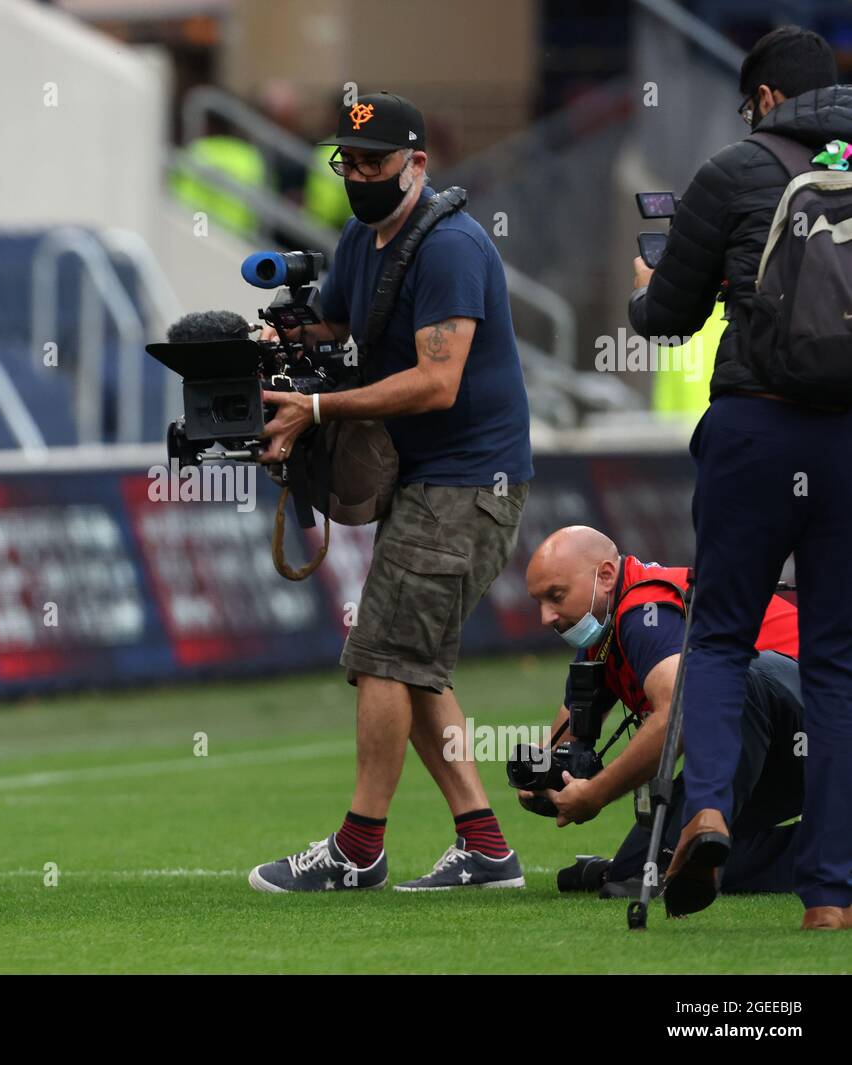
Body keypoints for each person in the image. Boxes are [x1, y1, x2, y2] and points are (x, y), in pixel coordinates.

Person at [249, 92, 533, 893]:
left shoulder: (451, 247)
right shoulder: (362, 237)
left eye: (376, 162)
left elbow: (439, 380)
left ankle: (359, 847)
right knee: (411, 663)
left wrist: (317, 408)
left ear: (418, 162)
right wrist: (282, 342)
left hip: (469, 478)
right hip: (430, 480)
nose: (360, 175)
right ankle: (485, 848)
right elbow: (337, 329)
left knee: (382, 657)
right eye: (350, 161)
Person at [628, 26, 852, 930]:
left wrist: (650, 284)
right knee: (837, 665)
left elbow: (667, 317)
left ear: (762, 99)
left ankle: (709, 807)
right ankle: (832, 897)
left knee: (720, 636)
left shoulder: (734, 169)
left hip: (758, 428)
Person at [521, 527, 804, 900]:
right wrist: (539, 773)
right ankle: (829, 847)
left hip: (817, 717)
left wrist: (596, 794)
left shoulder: (644, 611)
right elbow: (566, 737)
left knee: (736, 679)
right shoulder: (601, 639)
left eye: (555, 596)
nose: (545, 616)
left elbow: (679, 714)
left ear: (605, 576)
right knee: (643, 870)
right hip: (767, 742)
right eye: (538, 602)